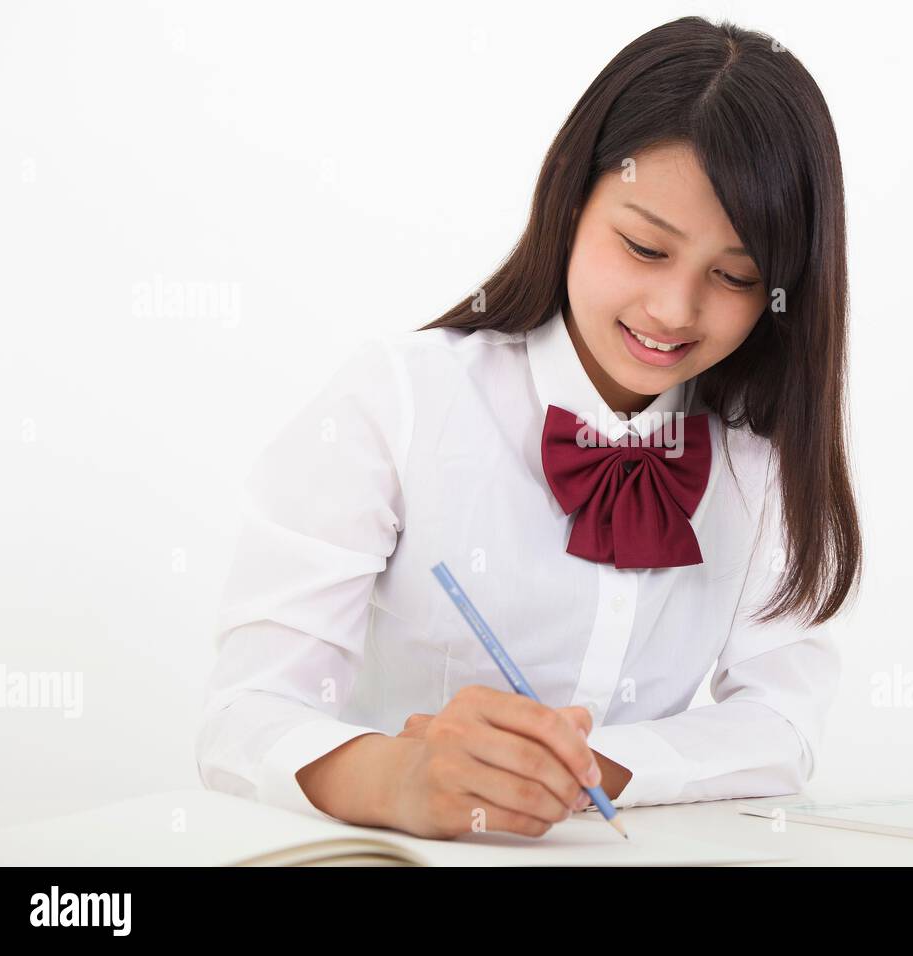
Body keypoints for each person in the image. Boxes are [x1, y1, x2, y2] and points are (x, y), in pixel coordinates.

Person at [195, 15, 862, 841]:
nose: (673, 310)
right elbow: (243, 715)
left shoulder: (759, 463)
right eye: (645, 247)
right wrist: (402, 778)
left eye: (734, 277)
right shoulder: (398, 399)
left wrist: (582, 770)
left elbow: (783, 726)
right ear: (570, 197)